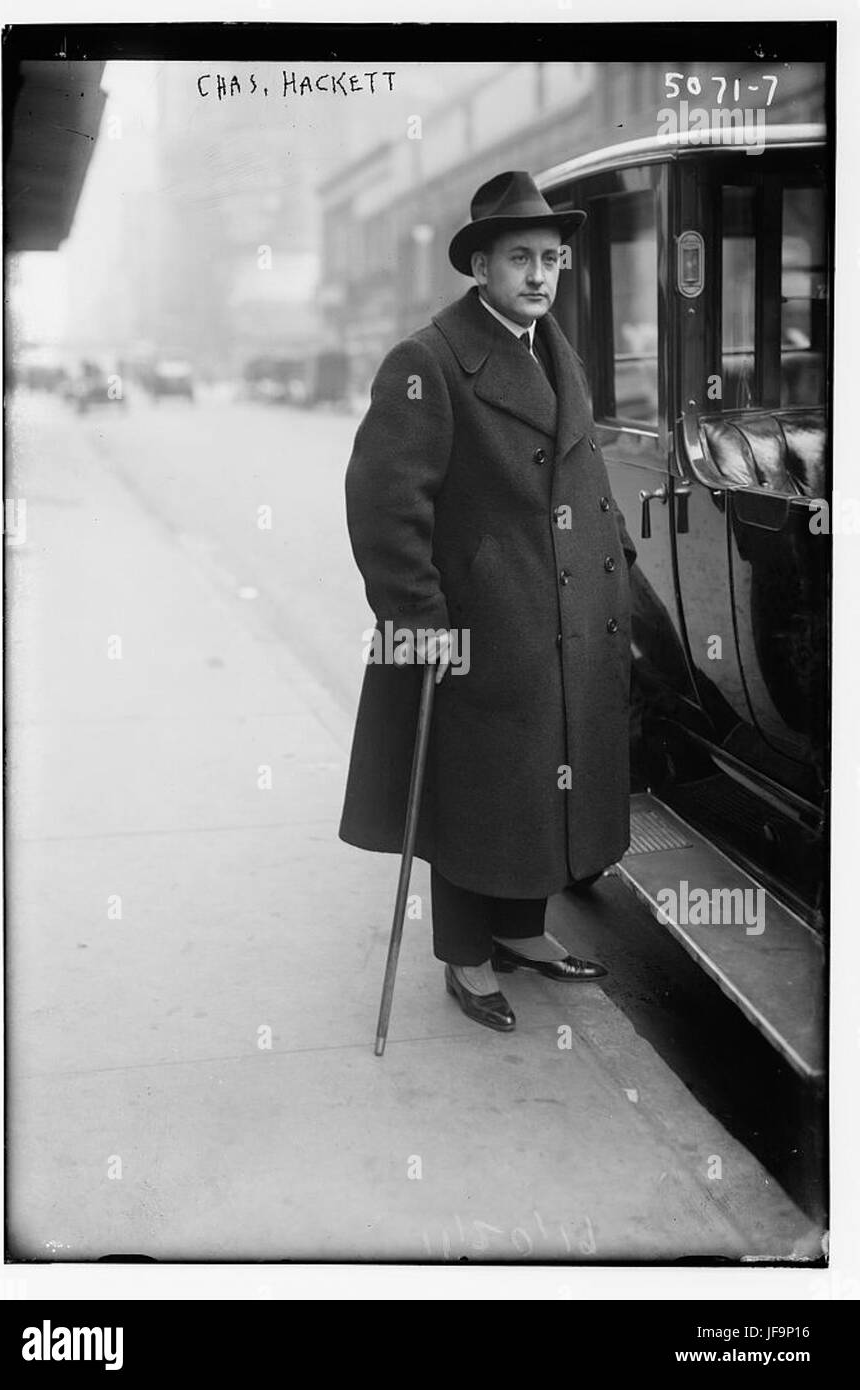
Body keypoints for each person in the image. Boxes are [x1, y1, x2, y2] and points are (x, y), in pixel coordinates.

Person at [339, 170, 637, 1032]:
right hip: (481, 629)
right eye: (520, 258)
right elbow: (387, 505)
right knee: (479, 793)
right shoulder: (427, 361)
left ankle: (523, 932)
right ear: (482, 266)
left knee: (546, 782)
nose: (539, 274)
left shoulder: (552, 346)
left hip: (568, 622)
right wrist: (420, 624)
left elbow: (587, 476)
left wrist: (618, 567)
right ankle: (467, 959)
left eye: (551, 258)